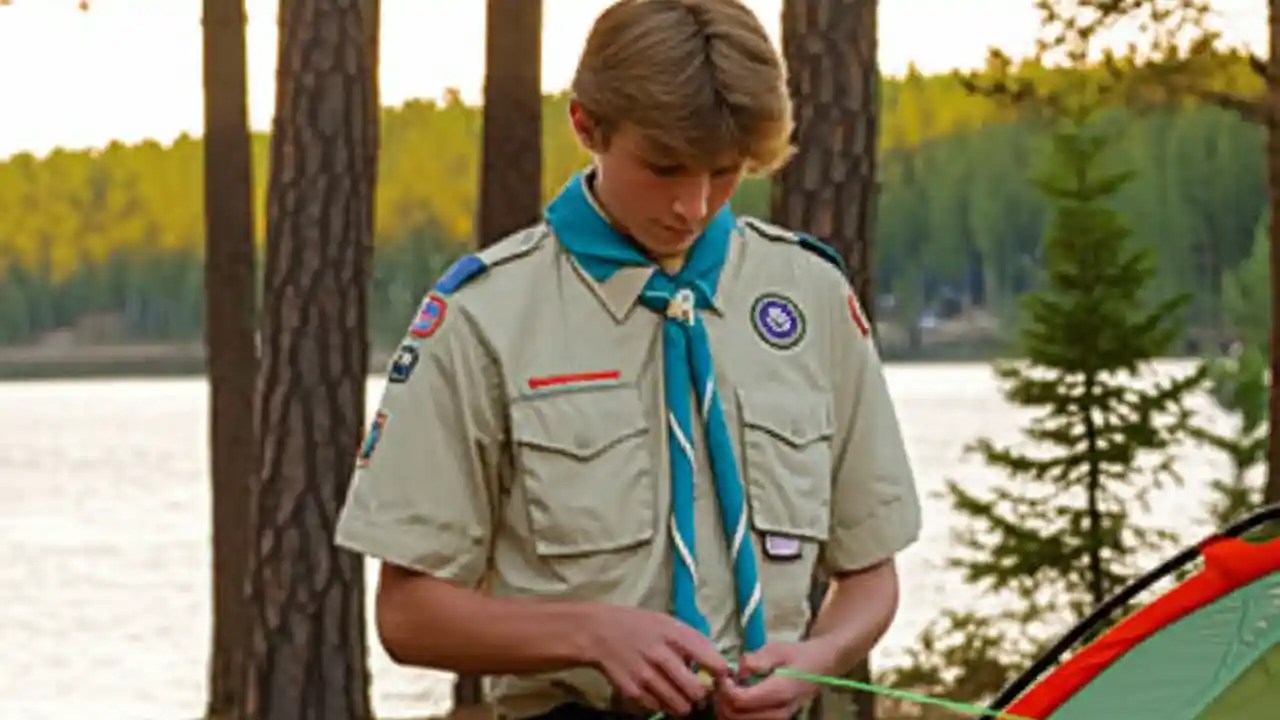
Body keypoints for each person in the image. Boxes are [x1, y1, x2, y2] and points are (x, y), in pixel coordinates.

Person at [333, 1, 922, 719]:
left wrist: (820, 657)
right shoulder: (484, 319)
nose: (693, 206)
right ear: (587, 125)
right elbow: (407, 616)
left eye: (725, 171)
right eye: (664, 168)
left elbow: (870, 571)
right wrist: (589, 634)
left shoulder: (809, 295)